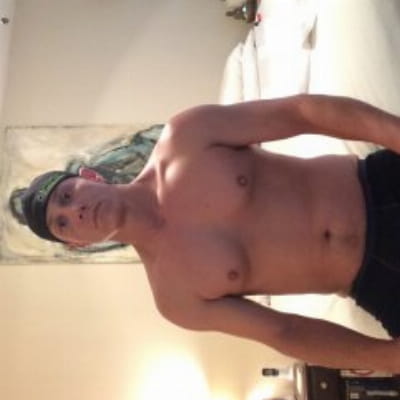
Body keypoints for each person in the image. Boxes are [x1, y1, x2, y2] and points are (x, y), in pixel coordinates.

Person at [22, 94, 400, 372]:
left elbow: (300, 112)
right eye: (62, 223)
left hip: (383, 187)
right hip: (380, 282)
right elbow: (284, 332)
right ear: (77, 244)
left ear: (89, 176)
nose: (75, 211)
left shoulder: (186, 137)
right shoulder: (174, 297)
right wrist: (385, 359)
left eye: (67, 196)